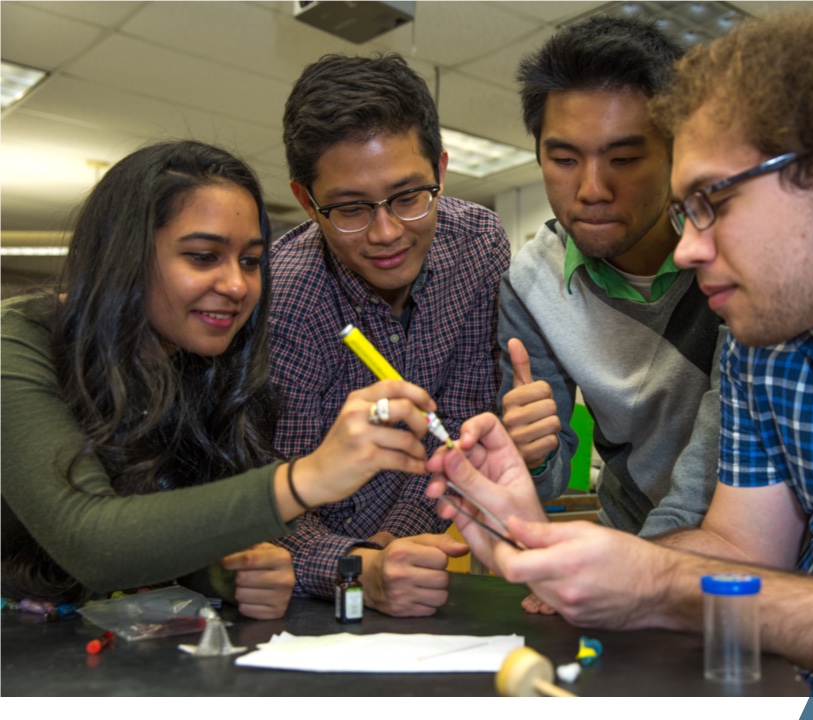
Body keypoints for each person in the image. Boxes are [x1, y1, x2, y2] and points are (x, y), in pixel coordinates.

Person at [427, 5, 813, 673]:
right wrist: (561, 551)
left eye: (713, 200)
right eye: (686, 211)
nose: (684, 249)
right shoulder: (763, 343)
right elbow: (742, 546)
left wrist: (659, 583)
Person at [1, 141, 438, 619]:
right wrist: (305, 478)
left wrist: (228, 572)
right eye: (204, 256)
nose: (236, 285)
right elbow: (93, 541)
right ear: (124, 256)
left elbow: (158, 523)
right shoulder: (17, 343)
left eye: (250, 261)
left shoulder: (200, 365)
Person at [271, 53, 510, 616]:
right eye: (350, 208)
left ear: (442, 170)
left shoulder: (479, 247)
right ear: (307, 201)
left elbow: (456, 424)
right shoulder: (284, 295)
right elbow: (269, 486)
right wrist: (354, 566)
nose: (386, 233)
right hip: (303, 581)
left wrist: (391, 547)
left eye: (408, 197)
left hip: (413, 552)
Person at [500, 15, 727, 537]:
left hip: (743, 546)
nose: (592, 188)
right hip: (632, 535)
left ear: (678, 152)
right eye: (562, 158)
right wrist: (529, 456)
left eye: (623, 158)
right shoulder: (530, 282)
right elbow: (545, 483)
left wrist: (633, 574)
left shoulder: (729, 254)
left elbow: (718, 460)